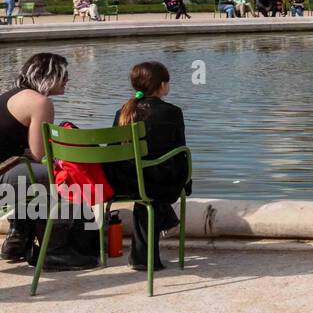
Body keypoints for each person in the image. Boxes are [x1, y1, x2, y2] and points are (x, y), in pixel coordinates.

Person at [0, 54, 97, 269]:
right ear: (49, 76)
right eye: (64, 75)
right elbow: (40, 155)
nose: (67, 80)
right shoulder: (40, 102)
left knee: (37, 176)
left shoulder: (12, 95)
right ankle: (55, 251)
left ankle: (18, 241)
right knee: (62, 178)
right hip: (4, 177)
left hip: (6, 170)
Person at [104, 63, 192, 272]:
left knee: (147, 186)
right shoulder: (172, 112)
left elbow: (113, 150)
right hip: (155, 182)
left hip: (123, 181)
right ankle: (144, 255)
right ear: (162, 85)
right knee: (156, 186)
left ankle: (143, 255)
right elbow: (180, 149)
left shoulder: (123, 112)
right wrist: (186, 182)